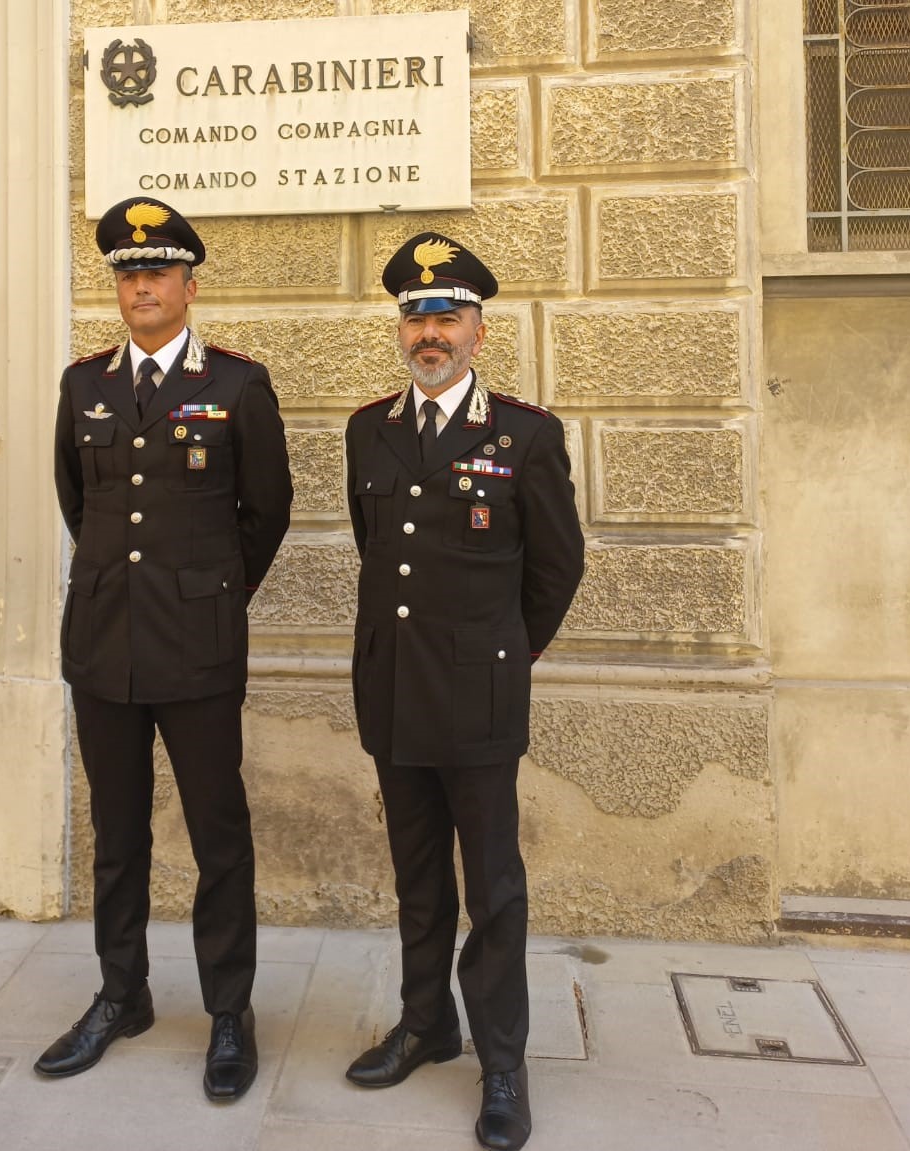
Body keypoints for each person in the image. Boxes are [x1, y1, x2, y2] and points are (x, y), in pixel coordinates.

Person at [41, 196, 293, 1102]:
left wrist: (208, 595)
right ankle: (122, 993)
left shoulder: (236, 385)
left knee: (218, 834)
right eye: (125, 272)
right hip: (104, 646)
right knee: (117, 835)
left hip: (197, 648)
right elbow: (80, 504)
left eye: (155, 271)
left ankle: (230, 1008)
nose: (139, 284)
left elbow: (264, 514)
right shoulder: (84, 386)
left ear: (188, 285)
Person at [343, 233, 585, 1150]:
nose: (429, 331)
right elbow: (378, 545)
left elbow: (557, 567)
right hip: (395, 689)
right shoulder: (371, 427)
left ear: (478, 328)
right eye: (414, 315)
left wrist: (504, 655)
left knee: (492, 888)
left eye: (445, 315)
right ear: (400, 330)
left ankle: (503, 1061)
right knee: (415, 879)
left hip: (479, 698)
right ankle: (424, 1023)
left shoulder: (525, 434)